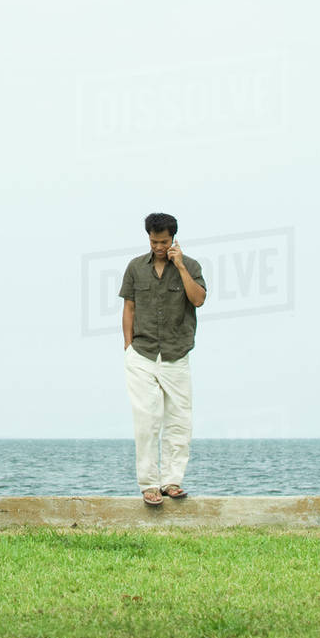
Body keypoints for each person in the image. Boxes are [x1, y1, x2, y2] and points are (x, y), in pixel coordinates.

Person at [119, 212, 207, 506]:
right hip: (142, 354)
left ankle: (172, 481)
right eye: (155, 241)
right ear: (149, 238)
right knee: (146, 420)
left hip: (176, 353)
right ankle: (149, 485)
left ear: (174, 238)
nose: (159, 246)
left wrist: (179, 265)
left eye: (164, 241)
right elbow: (129, 308)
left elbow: (198, 299)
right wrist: (128, 347)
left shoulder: (190, 266)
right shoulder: (135, 268)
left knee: (179, 421)